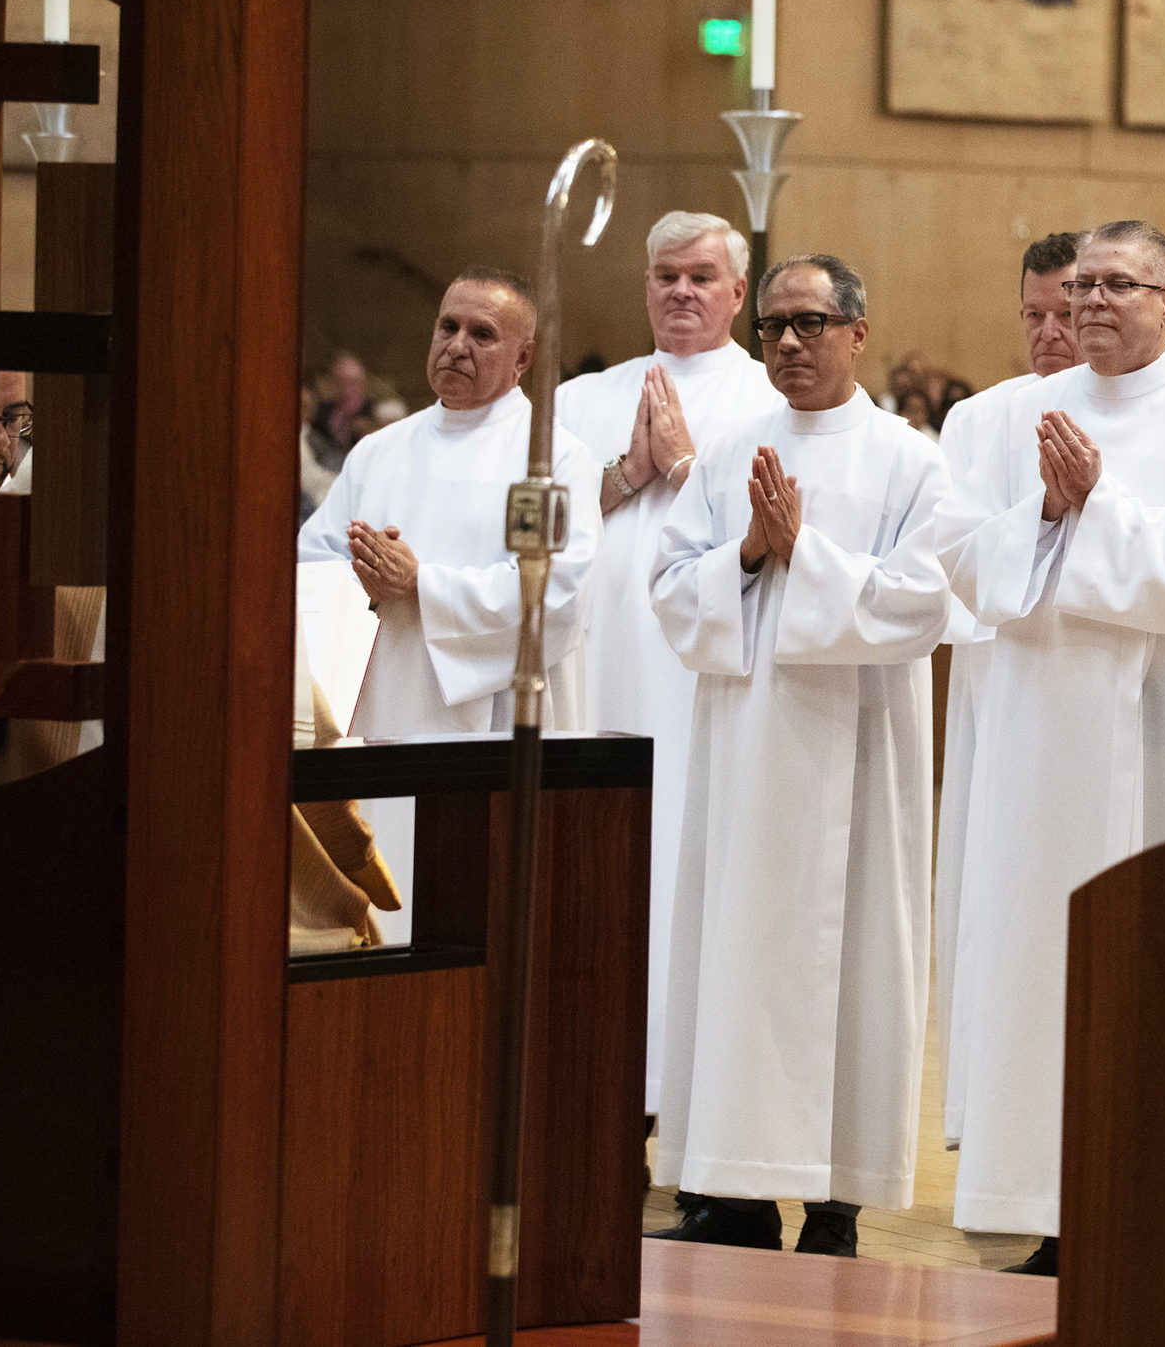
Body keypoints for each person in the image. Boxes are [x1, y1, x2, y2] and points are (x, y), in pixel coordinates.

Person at [933, 219, 1165, 1274]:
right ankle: (1047, 1203)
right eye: (1080, 286)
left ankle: (1149, 1201)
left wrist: (1094, 509)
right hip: (1037, 738)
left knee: (1152, 963)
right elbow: (959, 562)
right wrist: (1044, 513)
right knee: (1041, 960)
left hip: (1162, 735)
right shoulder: (1011, 417)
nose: (1092, 303)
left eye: (1121, 285)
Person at [640, 255, 949, 1256]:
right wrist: (745, 554)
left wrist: (800, 552)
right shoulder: (733, 449)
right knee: (736, 955)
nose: (787, 343)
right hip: (745, 756)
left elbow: (922, 600)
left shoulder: (912, 460)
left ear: (857, 333)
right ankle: (729, 1191)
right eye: (772, 326)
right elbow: (669, 584)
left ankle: (834, 1201)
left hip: (858, 752)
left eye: (810, 323)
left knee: (854, 956)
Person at [294, 268, 602, 941]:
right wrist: (362, 575)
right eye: (448, 326)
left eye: (482, 333)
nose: (458, 344)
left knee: (473, 921)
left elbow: (556, 592)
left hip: (486, 725)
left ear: (522, 358)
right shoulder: (379, 451)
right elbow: (310, 563)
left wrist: (422, 585)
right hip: (378, 716)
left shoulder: (552, 460)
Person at [554, 211, 781, 1124]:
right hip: (597, 672)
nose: (680, 291)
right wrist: (623, 473)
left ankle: (688, 1102)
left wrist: (683, 466)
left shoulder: (772, 397)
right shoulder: (579, 400)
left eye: (700, 276)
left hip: (702, 685)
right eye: (664, 275)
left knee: (690, 878)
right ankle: (596, 1096)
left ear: (737, 290)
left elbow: (772, 532)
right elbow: (534, 522)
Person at [929, 231, 1082, 1157]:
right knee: (996, 908)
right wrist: (1043, 516)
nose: (1051, 332)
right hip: (1001, 689)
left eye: (1068, 312)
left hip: (1095, 684)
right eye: (1035, 315)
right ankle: (989, 1123)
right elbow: (952, 553)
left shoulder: (1152, 410)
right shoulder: (980, 420)